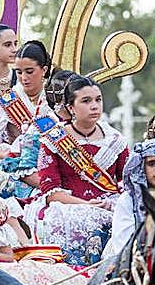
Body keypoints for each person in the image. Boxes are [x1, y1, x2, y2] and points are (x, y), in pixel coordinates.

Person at [36, 75, 129, 267]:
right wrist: (87, 205)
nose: (94, 106)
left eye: (98, 100)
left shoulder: (114, 140)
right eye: (86, 101)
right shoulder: (53, 140)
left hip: (108, 204)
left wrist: (110, 203)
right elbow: (51, 193)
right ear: (70, 107)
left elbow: (127, 183)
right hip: (69, 207)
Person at [102, 140, 155, 262]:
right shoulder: (128, 199)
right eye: (152, 164)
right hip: (133, 262)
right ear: (142, 167)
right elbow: (123, 245)